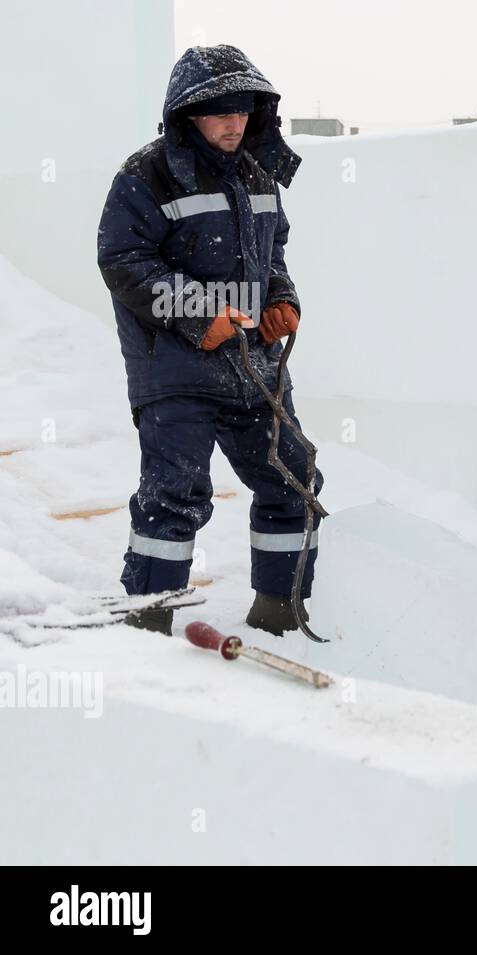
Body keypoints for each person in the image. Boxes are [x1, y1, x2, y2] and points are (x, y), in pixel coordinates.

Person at [96, 45, 322, 636]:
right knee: (174, 497)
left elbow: (273, 252)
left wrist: (281, 300)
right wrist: (200, 314)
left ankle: (282, 613)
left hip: (254, 367)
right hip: (174, 368)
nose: (233, 123)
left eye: (243, 110)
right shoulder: (146, 174)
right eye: (218, 112)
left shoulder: (259, 173)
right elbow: (122, 260)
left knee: (293, 479)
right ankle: (147, 626)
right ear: (186, 114)